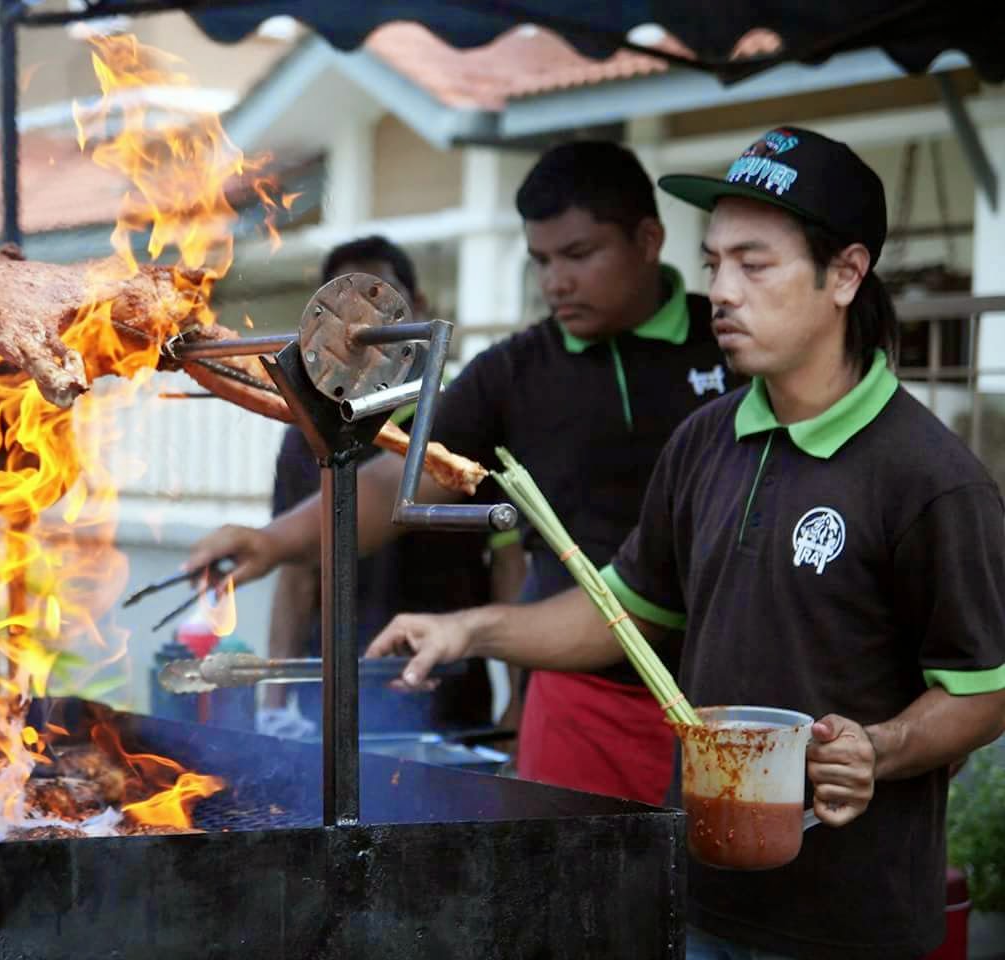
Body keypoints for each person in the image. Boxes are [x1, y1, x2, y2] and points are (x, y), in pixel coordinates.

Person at [366, 126, 1005, 959]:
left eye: (754, 263)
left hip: (849, 920)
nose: (722, 292)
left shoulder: (927, 476)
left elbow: (980, 689)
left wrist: (881, 748)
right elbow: (623, 618)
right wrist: (469, 631)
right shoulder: (704, 443)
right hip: (700, 892)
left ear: (845, 273)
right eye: (712, 265)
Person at [190, 141, 740, 802]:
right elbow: (397, 479)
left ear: (648, 239)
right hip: (576, 694)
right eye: (540, 260)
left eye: (578, 255)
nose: (554, 282)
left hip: (729, 695)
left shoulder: (730, 344)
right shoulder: (514, 371)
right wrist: (274, 541)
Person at [261, 236, 519, 736]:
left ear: (417, 306)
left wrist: (520, 701)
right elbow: (295, 575)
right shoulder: (306, 433)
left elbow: (510, 560)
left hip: (448, 691)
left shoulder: (459, 422)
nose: (360, 322)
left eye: (378, 299)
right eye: (340, 305)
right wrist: (274, 704)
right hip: (332, 695)